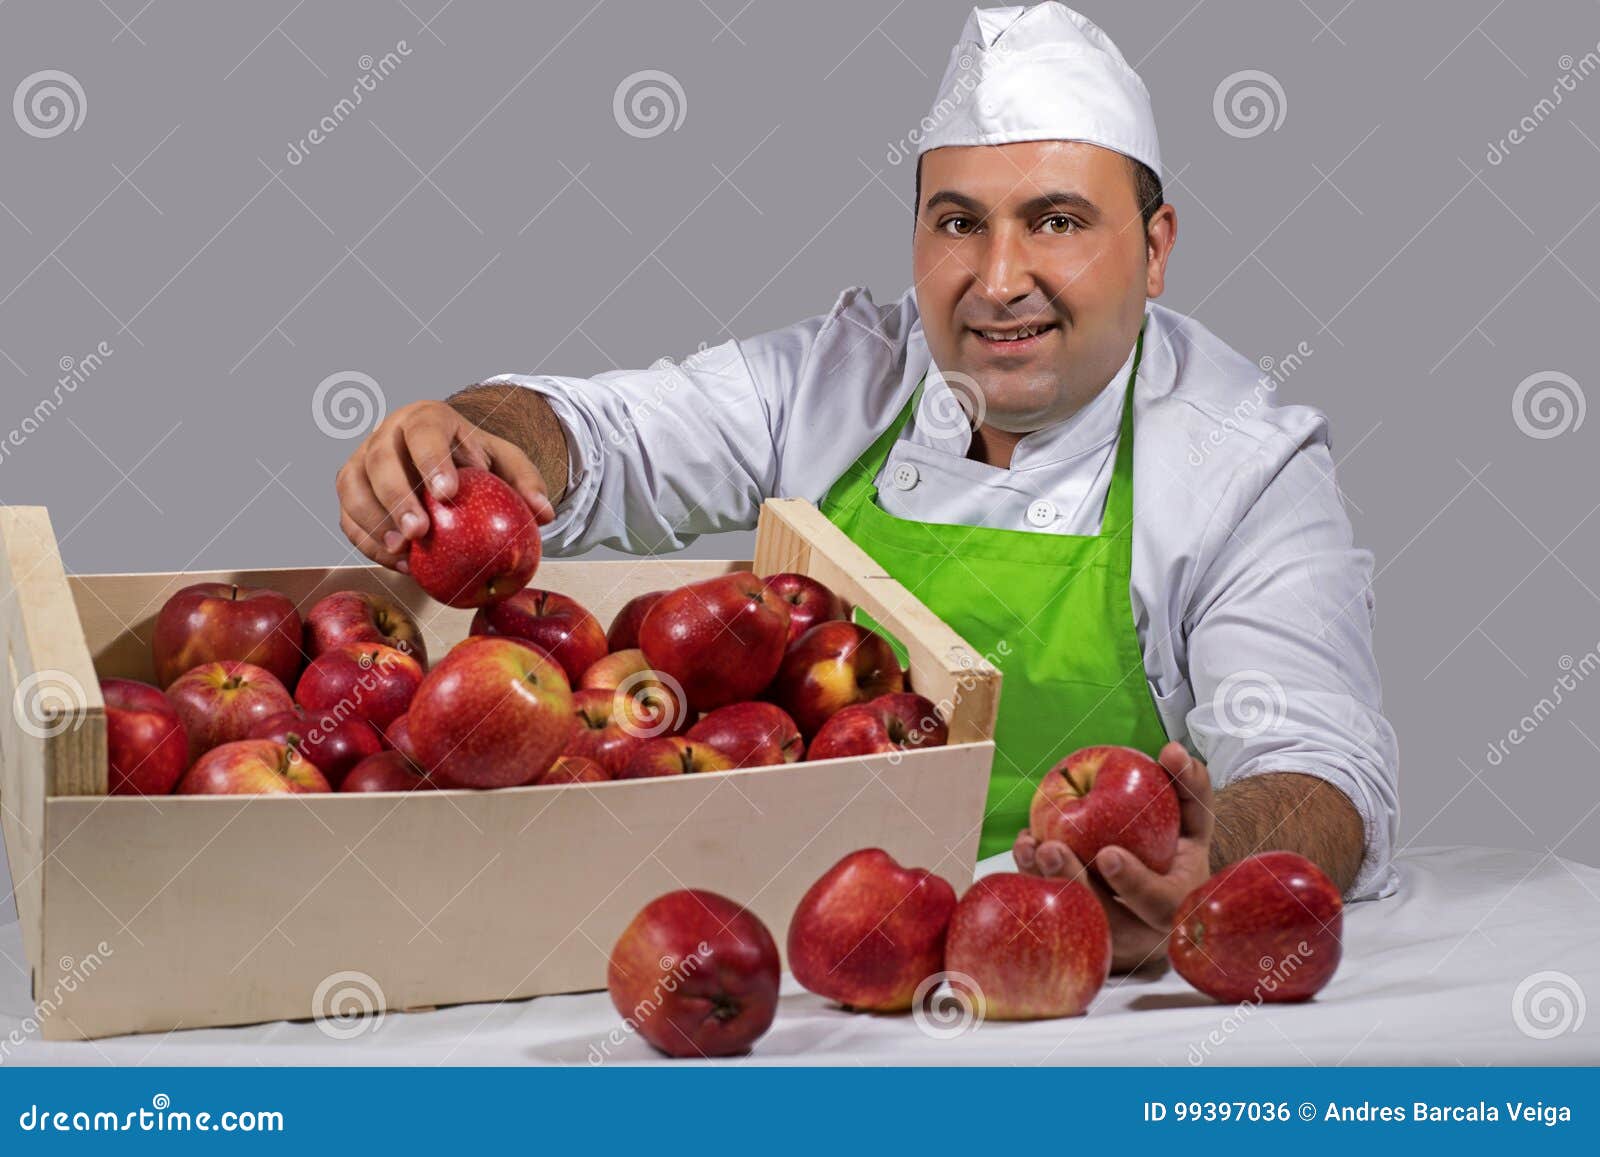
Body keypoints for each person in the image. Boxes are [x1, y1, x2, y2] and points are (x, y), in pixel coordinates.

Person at [335, 3, 1398, 973]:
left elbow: (1319, 767)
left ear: (1155, 250)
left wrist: (1215, 863)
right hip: (799, 964)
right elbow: (594, 432)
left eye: (1058, 221)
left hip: (1091, 994)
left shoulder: (1244, 467)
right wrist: (472, 438)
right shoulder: (839, 377)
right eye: (957, 222)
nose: (996, 278)